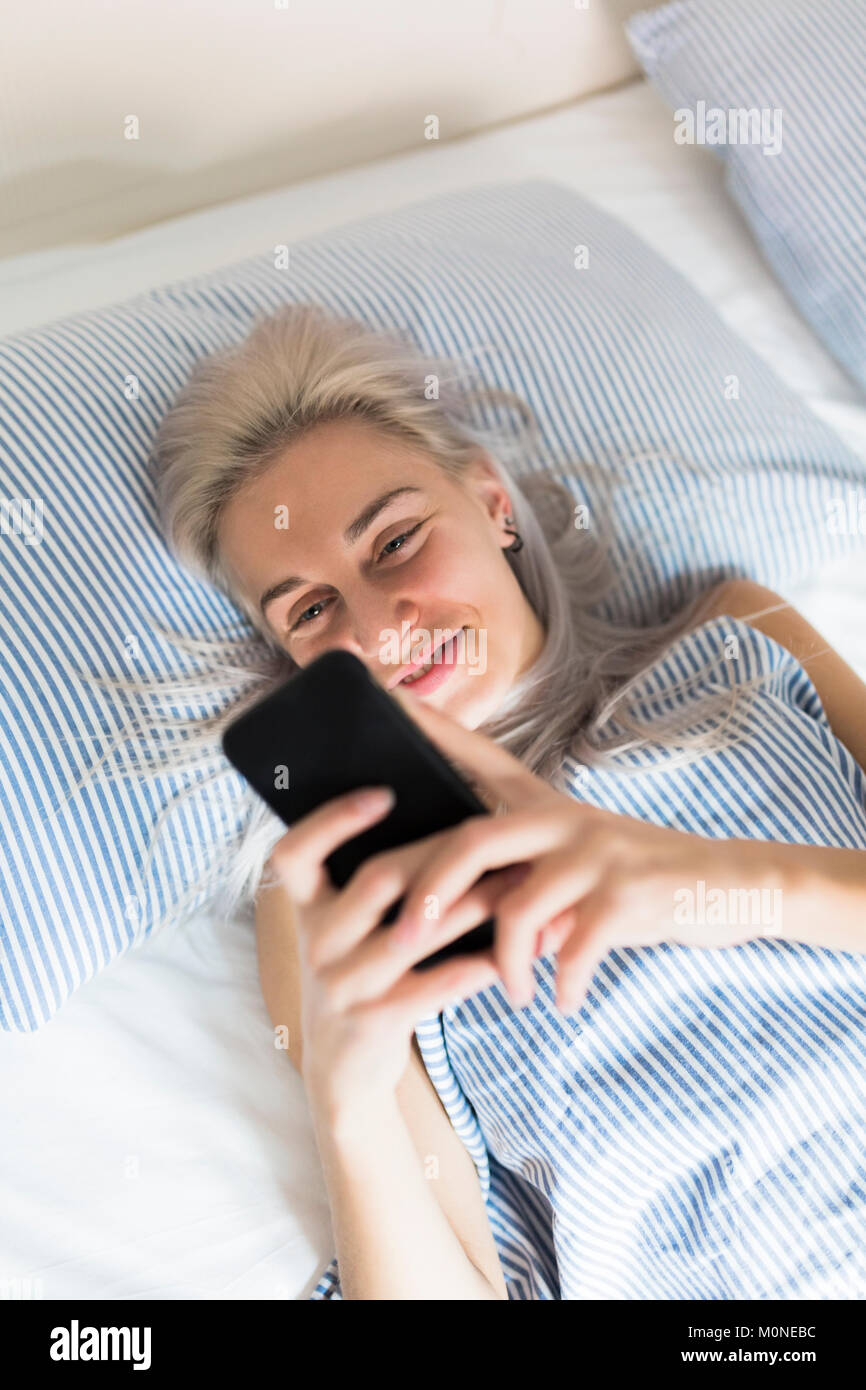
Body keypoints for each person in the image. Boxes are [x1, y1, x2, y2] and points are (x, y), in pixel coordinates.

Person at [153, 301, 866, 1300]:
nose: (379, 629)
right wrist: (349, 1108)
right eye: (311, 610)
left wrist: (704, 882)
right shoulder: (334, 895)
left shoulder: (734, 641)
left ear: (491, 501)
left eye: (395, 540)